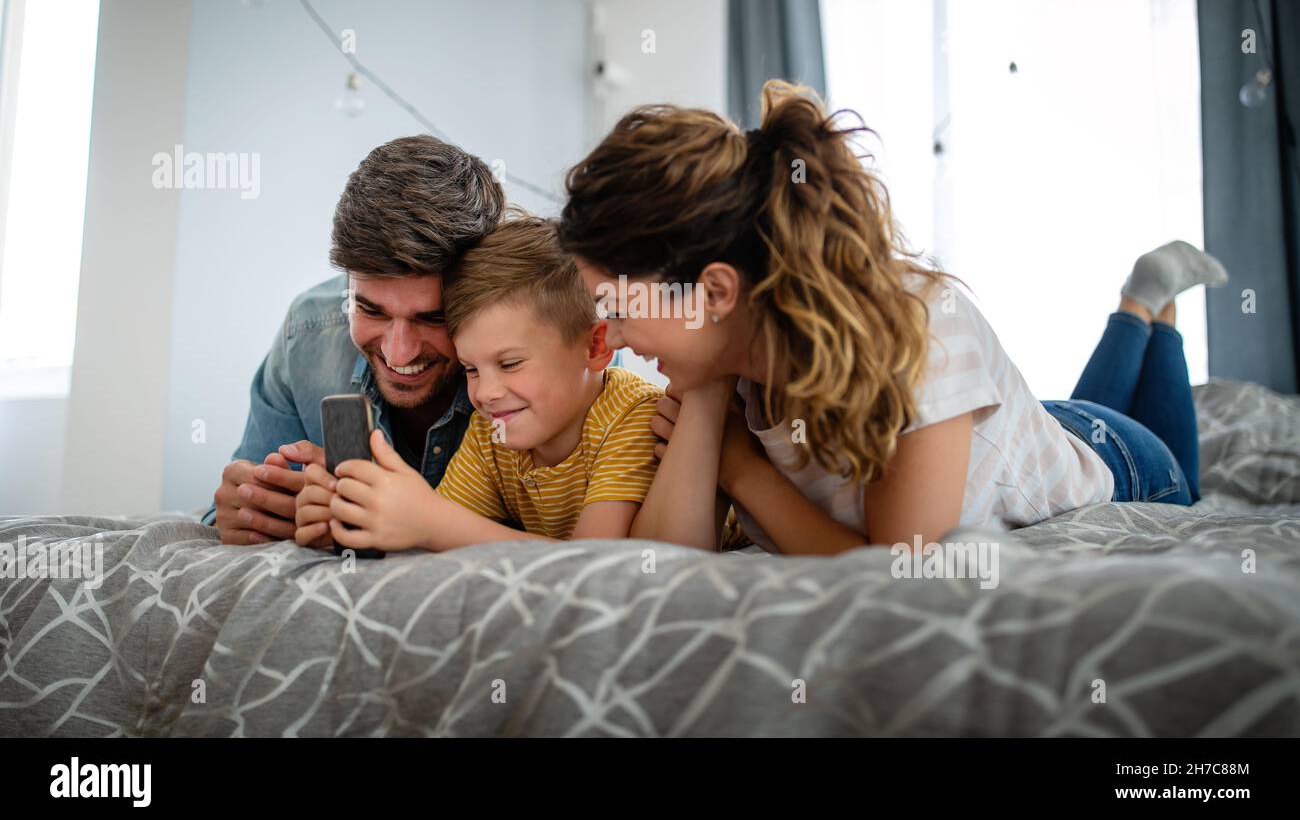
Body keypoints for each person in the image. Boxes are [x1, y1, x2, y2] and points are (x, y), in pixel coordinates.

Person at [555, 79, 1228, 555]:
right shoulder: (724, 345)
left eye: (616, 308)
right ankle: (1142, 303)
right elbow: (662, 567)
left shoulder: (918, 335)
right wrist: (704, 398)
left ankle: (1149, 309)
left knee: (1187, 488)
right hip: (1029, 436)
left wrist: (741, 468)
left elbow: (899, 571)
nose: (608, 339)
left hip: (1124, 465)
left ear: (717, 290)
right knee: (1052, 430)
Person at [293, 214, 697, 552]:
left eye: (510, 363)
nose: (484, 393)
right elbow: (430, 537)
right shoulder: (492, 432)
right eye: (471, 369)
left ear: (595, 345)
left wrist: (434, 523)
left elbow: (591, 565)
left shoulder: (630, 414)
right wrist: (363, 521)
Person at [206, 135, 504, 546]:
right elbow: (235, 506)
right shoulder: (309, 332)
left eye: (434, 317)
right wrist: (250, 510)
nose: (400, 351)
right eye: (371, 310)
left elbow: (588, 547)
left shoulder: (550, 346)